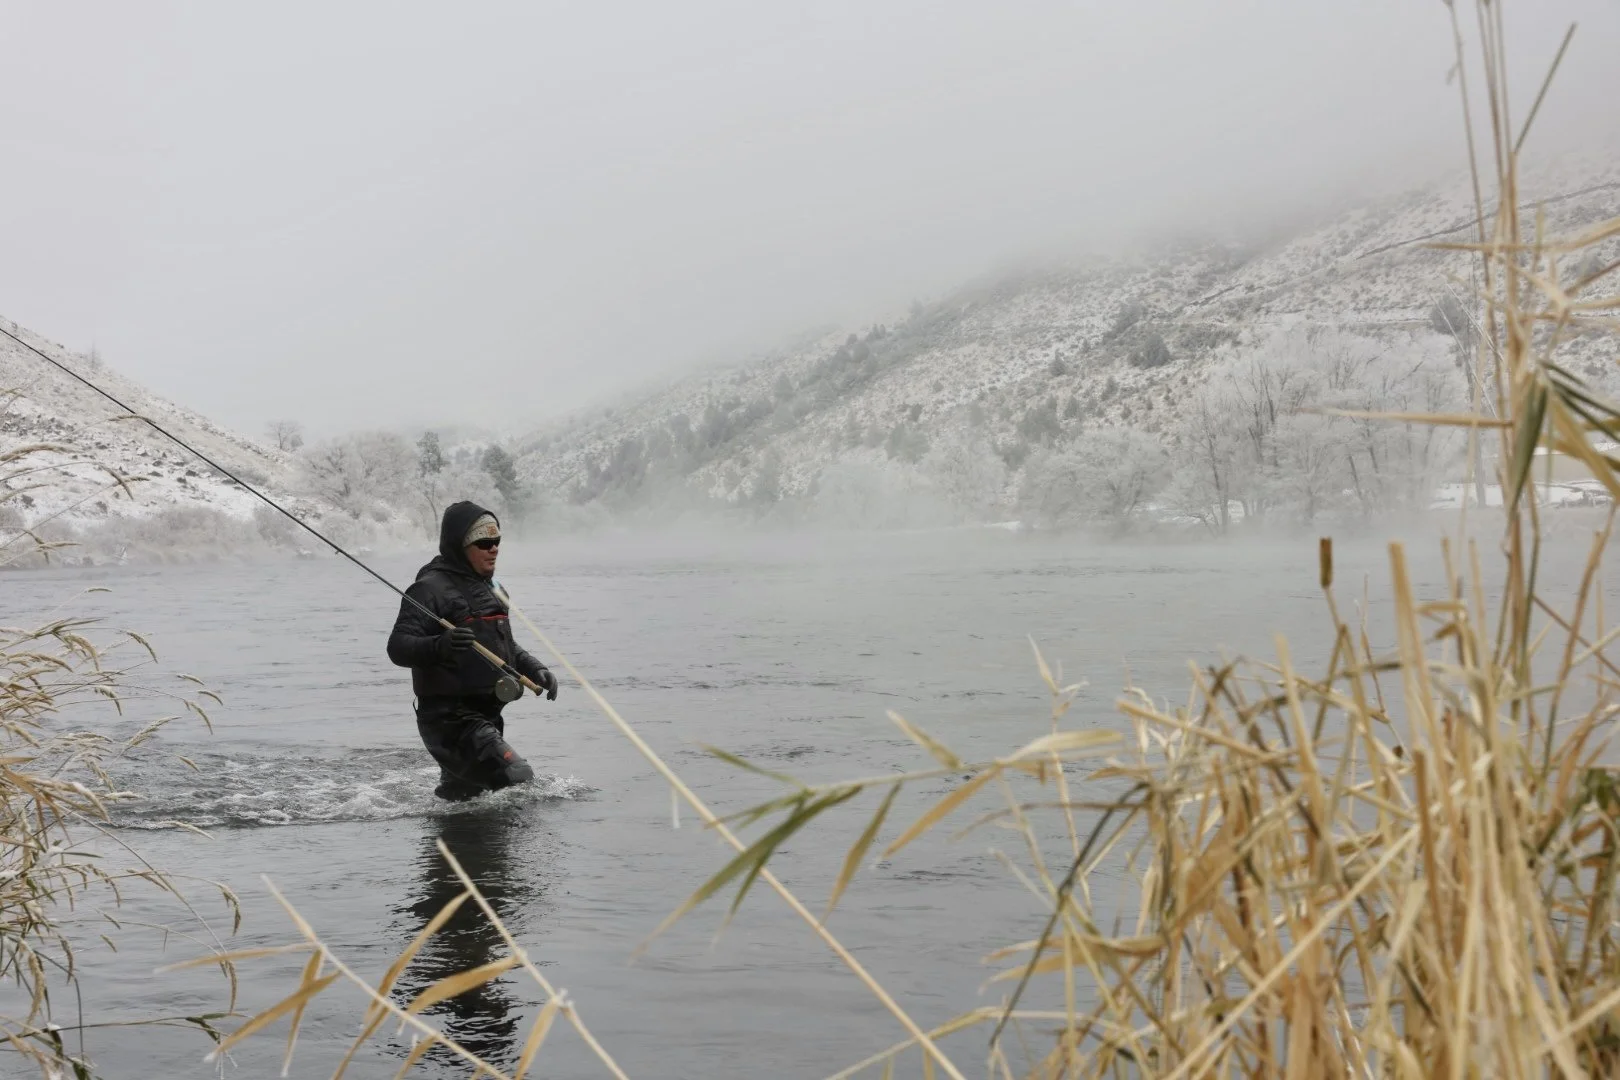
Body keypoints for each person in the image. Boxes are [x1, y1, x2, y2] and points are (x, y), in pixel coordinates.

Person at [387, 501, 559, 801]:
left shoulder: (496, 590)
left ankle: (453, 843)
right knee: (517, 778)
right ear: (459, 546)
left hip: (487, 715)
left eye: (497, 541)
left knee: (463, 802)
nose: (493, 549)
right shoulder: (428, 590)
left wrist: (534, 669)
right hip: (448, 721)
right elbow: (398, 647)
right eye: (483, 543)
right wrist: (441, 645)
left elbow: (504, 645)